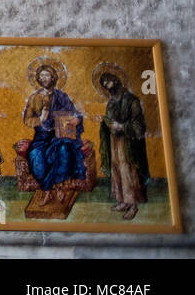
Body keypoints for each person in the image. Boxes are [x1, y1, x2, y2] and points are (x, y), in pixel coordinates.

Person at [21, 64, 85, 203]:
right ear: (38, 78)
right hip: (41, 137)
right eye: (42, 75)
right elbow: (26, 120)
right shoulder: (34, 98)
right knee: (35, 155)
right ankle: (47, 191)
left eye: (47, 75)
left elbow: (75, 114)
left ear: (53, 77)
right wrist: (41, 119)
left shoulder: (61, 96)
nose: (44, 78)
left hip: (59, 136)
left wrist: (76, 120)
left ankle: (59, 187)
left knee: (63, 151)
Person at [99, 71, 149, 220]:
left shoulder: (132, 100)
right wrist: (105, 121)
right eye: (104, 84)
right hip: (115, 141)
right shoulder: (112, 101)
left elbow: (139, 125)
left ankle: (133, 205)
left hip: (128, 142)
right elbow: (109, 120)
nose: (107, 86)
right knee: (117, 170)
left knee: (128, 171)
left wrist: (121, 127)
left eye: (108, 82)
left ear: (116, 80)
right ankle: (123, 201)